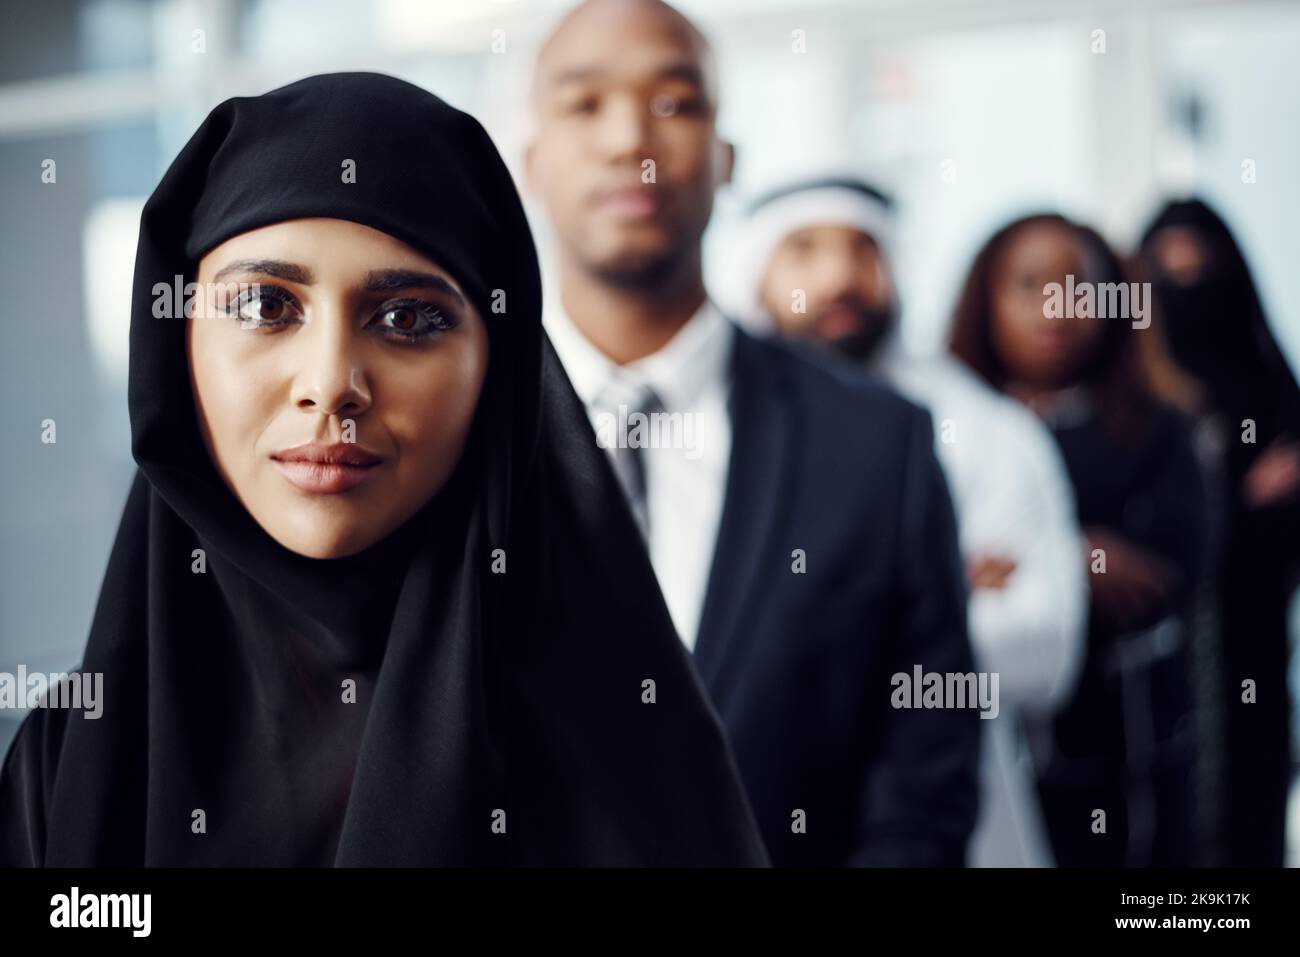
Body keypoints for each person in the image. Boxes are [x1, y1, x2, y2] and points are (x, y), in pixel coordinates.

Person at [0, 71, 770, 867]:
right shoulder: (67, 762)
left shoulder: (628, 759)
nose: (332, 381)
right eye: (265, 306)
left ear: (496, 369)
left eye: (407, 318)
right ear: (175, 344)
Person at [525, 0, 981, 866]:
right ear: (531, 162)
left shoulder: (880, 445)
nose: (630, 138)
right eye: (584, 104)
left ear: (727, 158)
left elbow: (924, 781)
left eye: (675, 102)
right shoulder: (455, 434)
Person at [735, 175, 1087, 866]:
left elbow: (1046, 649)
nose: (840, 277)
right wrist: (923, 600)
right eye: (805, 249)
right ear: (757, 274)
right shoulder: (710, 428)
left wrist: (799, 628)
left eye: (863, 249)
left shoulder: (988, 428)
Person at [948, 212, 1210, 866]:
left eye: (1078, 286)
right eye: (1028, 284)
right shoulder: (954, 429)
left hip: (1133, 740)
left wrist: (1037, 561)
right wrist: (1072, 556)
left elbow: (1163, 569)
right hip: (996, 744)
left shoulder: (1156, 427)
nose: (1055, 307)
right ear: (986, 299)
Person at [1139, 198, 1300, 866]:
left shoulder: (1264, 378)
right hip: (1156, 639)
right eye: (1168, 270)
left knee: (1249, 778)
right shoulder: (1137, 390)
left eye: (1199, 267)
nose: (1187, 284)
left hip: (1252, 624)